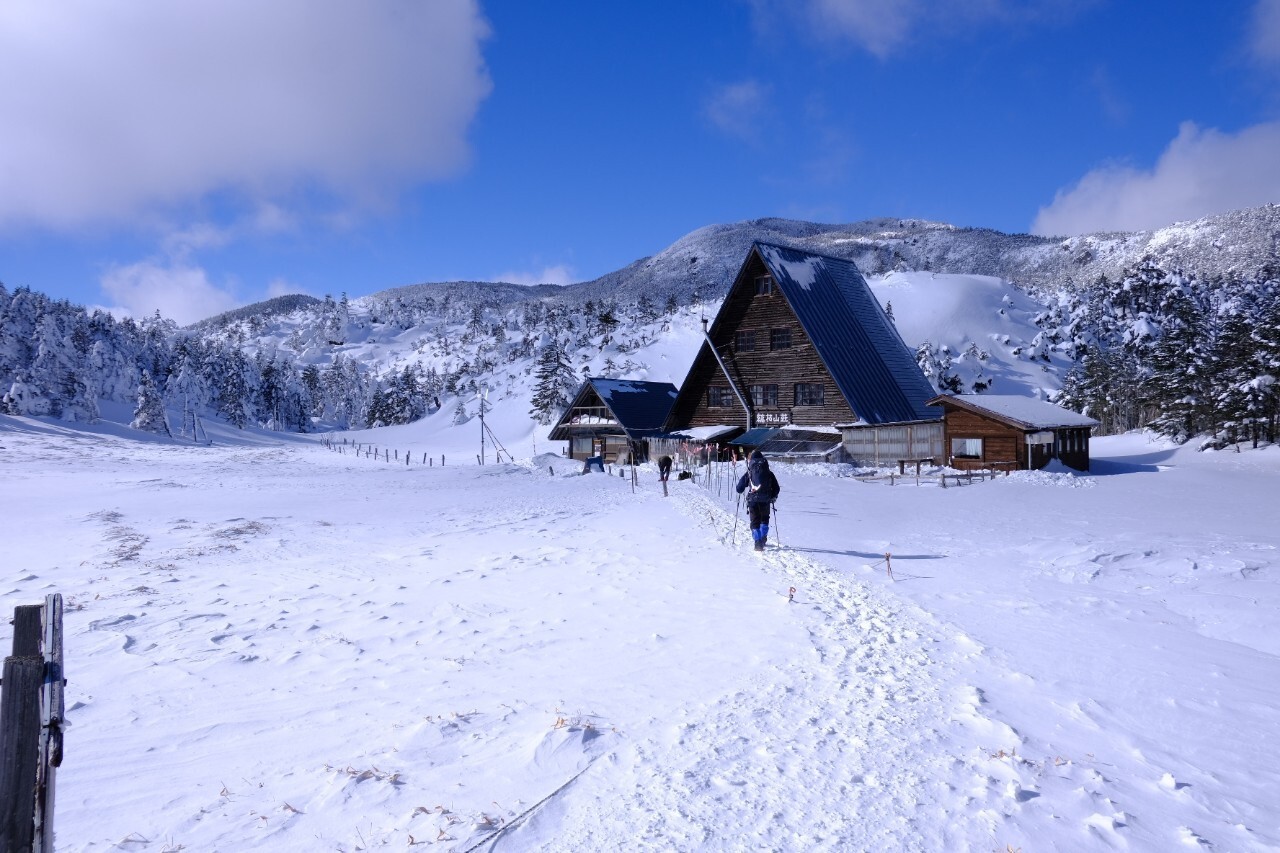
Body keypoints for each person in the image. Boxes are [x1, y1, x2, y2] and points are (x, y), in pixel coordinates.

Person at [735, 450, 781, 551]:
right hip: (765, 500)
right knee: (764, 520)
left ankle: (757, 542)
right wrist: (772, 496)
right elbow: (777, 488)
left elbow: (739, 488)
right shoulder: (768, 473)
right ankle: (763, 539)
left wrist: (741, 489)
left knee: (755, 521)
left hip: (753, 500)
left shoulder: (749, 472)